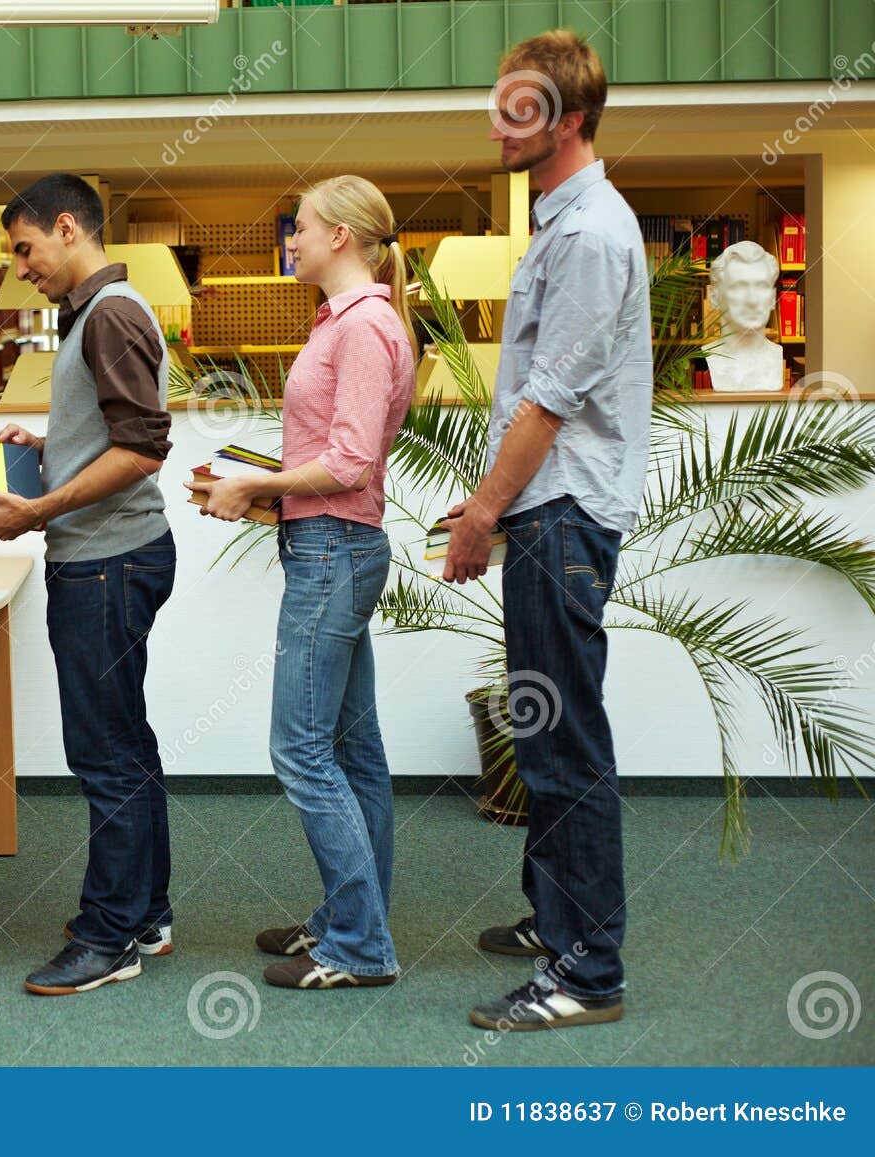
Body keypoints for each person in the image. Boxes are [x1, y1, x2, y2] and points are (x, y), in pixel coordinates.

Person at [442, 29, 651, 1030]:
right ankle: (556, 919)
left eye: (514, 111)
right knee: (544, 730)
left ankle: (586, 971)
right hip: (548, 510)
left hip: (561, 514)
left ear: (564, 122)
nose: (495, 127)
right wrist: (494, 501)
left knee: (563, 745)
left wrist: (486, 509)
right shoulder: (563, 223)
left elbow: (550, 401)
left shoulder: (591, 235)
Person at [189, 176, 417, 990]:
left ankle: (358, 945)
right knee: (353, 750)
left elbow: (350, 462)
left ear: (342, 237)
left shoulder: (363, 328)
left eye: (303, 226)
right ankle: (355, 919)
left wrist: (258, 485)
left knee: (300, 749)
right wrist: (261, 488)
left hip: (332, 552)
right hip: (333, 545)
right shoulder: (350, 321)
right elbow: (343, 456)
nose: (292, 239)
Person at [0, 173, 176, 996]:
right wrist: (51, 447)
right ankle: (145, 912)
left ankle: (110, 935)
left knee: (104, 751)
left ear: (66, 227)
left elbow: (143, 448)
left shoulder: (111, 313)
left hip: (106, 561)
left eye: (24, 249)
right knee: (126, 741)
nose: (20, 268)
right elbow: (112, 434)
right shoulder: (96, 313)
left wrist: (38, 509)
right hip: (111, 555)